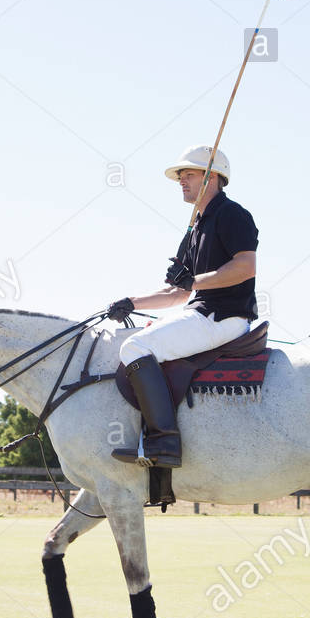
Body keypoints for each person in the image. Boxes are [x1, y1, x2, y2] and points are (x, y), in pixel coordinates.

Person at [106, 144, 259, 468]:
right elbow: (177, 292)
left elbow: (245, 267)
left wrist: (194, 282)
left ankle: (164, 443)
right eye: (180, 176)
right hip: (200, 313)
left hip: (223, 317)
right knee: (130, 342)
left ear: (212, 177)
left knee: (135, 347)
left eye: (188, 174)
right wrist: (132, 302)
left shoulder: (232, 215)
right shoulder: (196, 228)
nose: (181, 180)